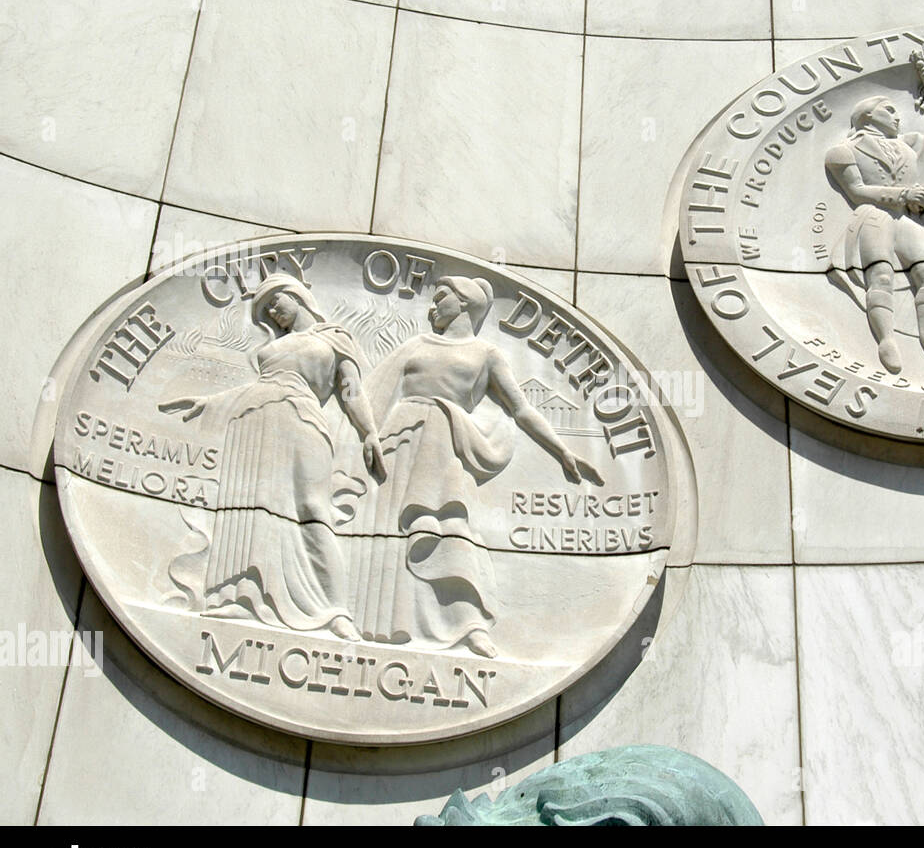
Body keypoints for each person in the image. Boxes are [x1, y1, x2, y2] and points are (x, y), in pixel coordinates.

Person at [349, 275, 603, 659]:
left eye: (440, 298)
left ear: (464, 303)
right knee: (389, 528)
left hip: (445, 444)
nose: (431, 307)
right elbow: (372, 393)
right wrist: (368, 434)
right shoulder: (414, 345)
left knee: (448, 527)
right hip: (399, 442)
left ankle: (466, 625)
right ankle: (381, 626)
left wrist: (561, 451)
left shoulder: (486, 355)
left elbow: (521, 409)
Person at [159, 273, 385, 639]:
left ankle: (336, 611)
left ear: (297, 295)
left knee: (313, 509)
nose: (273, 312)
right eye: (266, 310)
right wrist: (210, 401)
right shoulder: (274, 346)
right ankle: (241, 596)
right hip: (254, 420)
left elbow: (351, 391)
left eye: (276, 301)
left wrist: (369, 432)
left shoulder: (335, 338)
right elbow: (261, 385)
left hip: (302, 417)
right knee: (250, 503)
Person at [825, 94, 924, 374]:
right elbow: (856, 192)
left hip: (906, 218)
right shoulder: (842, 151)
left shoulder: (909, 144)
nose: (898, 116)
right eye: (889, 110)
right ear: (867, 115)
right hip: (874, 216)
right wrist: (904, 193)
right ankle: (886, 339)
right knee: (880, 276)